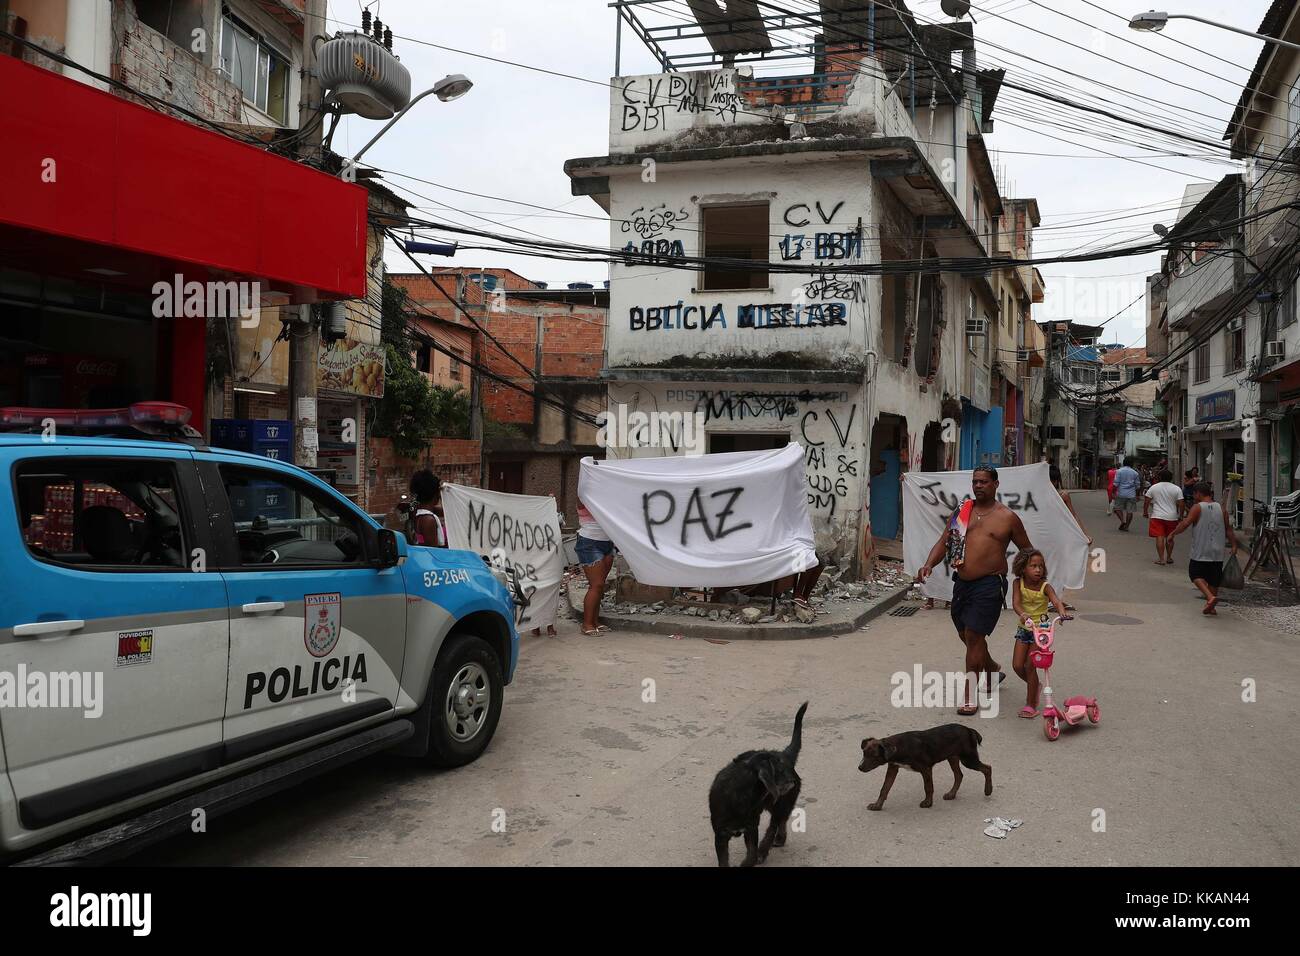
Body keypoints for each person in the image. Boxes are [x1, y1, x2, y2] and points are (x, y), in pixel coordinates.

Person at [916, 465, 1033, 716]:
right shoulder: (962, 511)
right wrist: (928, 564)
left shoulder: (1007, 517)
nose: (978, 485)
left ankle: (969, 694)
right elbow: (944, 540)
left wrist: (1030, 583)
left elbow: (1027, 551)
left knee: (974, 636)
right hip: (962, 583)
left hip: (990, 585)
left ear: (995, 485)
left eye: (984, 482)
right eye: (975, 481)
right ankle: (991, 670)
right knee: (967, 636)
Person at [1009, 549, 1072, 718]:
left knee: (1030, 666)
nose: (1038, 570)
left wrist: (1062, 613)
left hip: (1041, 631)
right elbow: (1015, 603)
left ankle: (1031, 704)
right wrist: (1022, 614)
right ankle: (1035, 685)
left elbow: (1056, 601)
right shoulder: (1018, 583)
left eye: (1041, 566)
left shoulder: (1045, 586)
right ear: (1023, 568)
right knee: (1017, 665)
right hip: (1024, 628)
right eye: (1033, 566)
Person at [1169, 481, 1239, 615]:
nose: (1194, 496)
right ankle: (1211, 607)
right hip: (1218, 552)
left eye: (1194, 494)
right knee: (1214, 579)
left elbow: (1185, 523)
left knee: (1195, 574)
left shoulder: (1197, 507)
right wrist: (1234, 545)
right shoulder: (1221, 508)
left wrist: (1173, 533)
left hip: (1201, 549)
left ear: (1198, 493)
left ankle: (1210, 597)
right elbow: (1228, 529)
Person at [576, 498, 615, 635]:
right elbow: (581, 497)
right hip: (589, 542)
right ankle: (586, 624)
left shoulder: (607, 494)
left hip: (608, 544)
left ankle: (595, 621)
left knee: (600, 586)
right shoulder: (585, 495)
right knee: (596, 585)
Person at [1144, 468, 1186, 566]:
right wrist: (1180, 515)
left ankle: (1161, 559)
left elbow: (1147, 501)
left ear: (1159, 477)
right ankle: (1169, 557)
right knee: (1170, 537)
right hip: (1172, 517)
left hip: (1157, 516)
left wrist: (1145, 512)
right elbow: (1181, 503)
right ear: (1171, 478)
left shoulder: (1154, 487)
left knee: (1160, 537)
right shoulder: (1176, 488)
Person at [1050, 464, 1092, 545]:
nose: (1051, 483)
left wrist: (1084, 535)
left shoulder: (1063, 496)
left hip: (1059, 534)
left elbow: (1074, 516)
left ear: (1056, 481)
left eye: (1052, 481)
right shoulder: (1036, 496)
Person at [408, 470, 447, 547]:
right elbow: (433, 551)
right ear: (435, 494)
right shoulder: (428, 520)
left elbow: (445, 511)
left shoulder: (418, 512)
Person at [1112, 457, 1141, 531]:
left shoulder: (1119, 471)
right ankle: (1127, 526)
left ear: (1123, 463)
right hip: (1131, 494)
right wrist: (1137, 495)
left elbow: (1115, 484)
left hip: (1121, 493)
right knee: (1130, 511)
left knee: (1117, 508)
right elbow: (1137, 486)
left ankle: (1122, 521)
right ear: (1132, 464)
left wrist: (1113, 492)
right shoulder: (1135, 473)